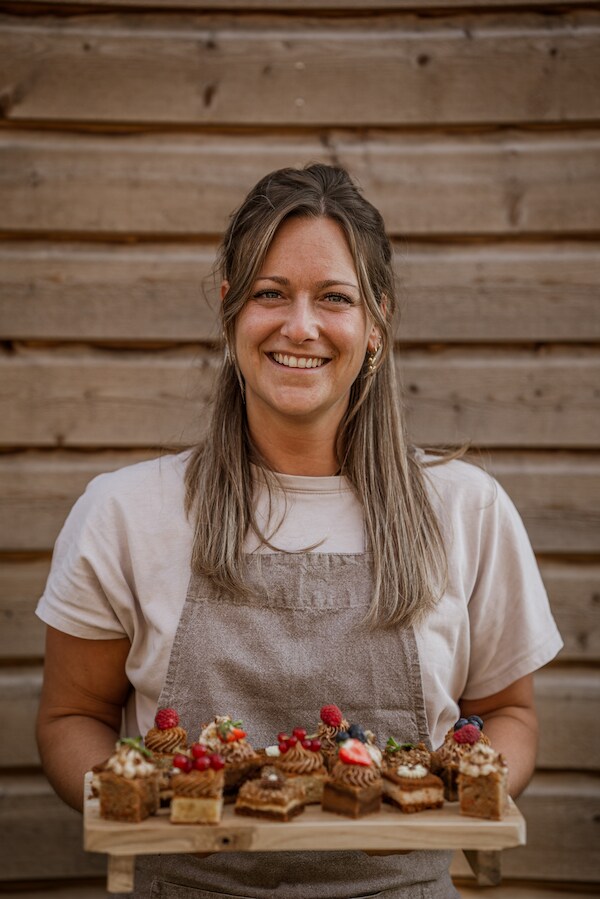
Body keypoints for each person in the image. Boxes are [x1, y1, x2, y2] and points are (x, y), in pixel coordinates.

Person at [36, 163, 562, 899]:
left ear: (376, 324)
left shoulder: (465, 509)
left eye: (334, 298)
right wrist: (131, 798)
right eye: (270, 293)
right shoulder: (125, 512)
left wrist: (468, 787)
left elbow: (508, 714)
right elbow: (72, 715)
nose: (300, 326)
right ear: (231, 310)